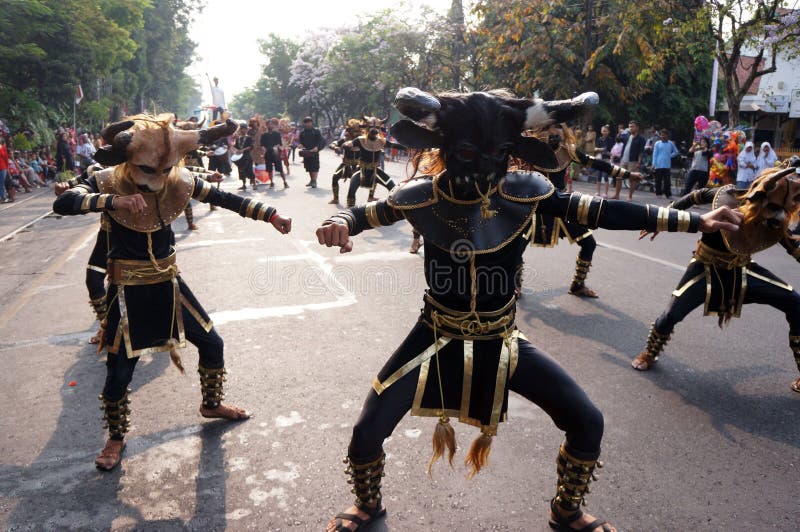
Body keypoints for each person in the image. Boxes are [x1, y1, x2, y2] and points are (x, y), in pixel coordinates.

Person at [316, 87, 741, 532]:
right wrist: (339, 222)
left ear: (512, 151)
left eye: (498, 153)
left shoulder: (527, 192)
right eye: (468, 152)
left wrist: (698, 220)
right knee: (366, 431)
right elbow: (364, 214)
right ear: (445, 148)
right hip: (435, 335)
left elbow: (602, 211)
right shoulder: (422, 196)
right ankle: (367, 507)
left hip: (502, 340)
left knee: (587, 421)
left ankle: (567, 511)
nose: (484, 166)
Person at [52, 115, 292, 471]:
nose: (158, 178)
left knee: (213, 343)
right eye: (150, 170)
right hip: (127, 291)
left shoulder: (179, 180)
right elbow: (63, 203)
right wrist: (112, 202)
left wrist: (270, 214)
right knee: (119, 373)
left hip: (169, 283)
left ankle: (211, 404)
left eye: (165, 169)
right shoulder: (107, 180)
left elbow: (225, 198)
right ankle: (115, 438)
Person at [632, 163, 800, 394]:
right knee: (670, 315)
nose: (779, 213)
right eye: (773, 207)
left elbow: (794, 247)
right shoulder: (728, 196)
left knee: (795, 302)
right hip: (705, 267)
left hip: (742, 269)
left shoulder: (776, 219)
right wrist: (664, 218)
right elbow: (697, 195)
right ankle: (650, 353)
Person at [518, 123, 643, 298]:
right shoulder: (528, 150)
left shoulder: (568, 152)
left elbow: (598, 164)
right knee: (515, 248)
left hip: (560, 207)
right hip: (533, 208)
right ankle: (515, 286)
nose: (554, 131)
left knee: (588, 243)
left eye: (558, 127)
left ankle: (577, 286)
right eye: (549, 127)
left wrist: (629, 175)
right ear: (540, 130)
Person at [344, 116, 400, 207]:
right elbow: (348, 144)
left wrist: (408, 147)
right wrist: (346, 144)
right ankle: (350, 210)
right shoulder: (360, 140)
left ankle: (392, 209)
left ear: (379, 128)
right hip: (362, 171)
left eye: (377, 127)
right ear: (367, 127)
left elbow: (393, 145)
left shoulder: (381, 141)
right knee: (351, 190)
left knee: (393, 188)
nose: (374, 129)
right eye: (371, 127)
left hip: (375, 171)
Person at [329, 119, 362, 204]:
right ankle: (336, 199)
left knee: (371, 178)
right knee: (335, 177)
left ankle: (369, 197)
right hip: (346, 164)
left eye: (357, 131)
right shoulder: (345, 139)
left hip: (358, 166)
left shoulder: (362, 140)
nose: (356, 133)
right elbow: (333, 144)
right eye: (354, 131)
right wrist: (335, 147)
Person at [612, 120, 645, 200]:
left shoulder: (641, 138)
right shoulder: (626, 136)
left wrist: (639, 162)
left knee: (632, 179)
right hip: (623, 160)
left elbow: (641, 151)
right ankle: (616, 195)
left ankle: (630, 196)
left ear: (637, 127)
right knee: (618, 178)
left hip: (633, 161)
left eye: (632, 126)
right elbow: (618, 140)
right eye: (629, 127)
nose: (630, 128)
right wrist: (620, 133)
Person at [260, 118, 289, 189]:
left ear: (273, 125)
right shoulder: (264, 135)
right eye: (268, 124)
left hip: (276, 153)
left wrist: (276, 148)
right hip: (268, 153)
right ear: (266, 125)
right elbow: (262, 145)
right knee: (269, 169)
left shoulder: (277, 134)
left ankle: (285, 182)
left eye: (271, 124)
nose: (269, 125)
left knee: (280, 169)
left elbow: (279, 144)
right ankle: (271, 182)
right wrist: (263, 151)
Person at [298, 117, 326, 188]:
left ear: (312, 122)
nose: (308, 124)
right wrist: (300, 144)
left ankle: (314, 181)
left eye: (309, 122)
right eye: (306, 122)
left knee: (314, 167)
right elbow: (300, 141)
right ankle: (312, 181)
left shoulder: (316, 131)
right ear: (304, 123)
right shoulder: (302, 132)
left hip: (314, 151)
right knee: (309, 167)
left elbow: (321, 141)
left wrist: (317, 147)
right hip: (306, 152)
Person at [651, 129, 679, 198]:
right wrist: (653, 164)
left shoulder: (670, 143)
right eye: (661, 135)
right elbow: (655, 154)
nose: (663, 136)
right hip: (658, 165)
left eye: (664, 135)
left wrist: (670, 156)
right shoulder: (657, 143)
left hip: (667, 165)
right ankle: (658, 193)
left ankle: (668, 194)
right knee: (658, 180)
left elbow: (676, 152)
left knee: (667, 181)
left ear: (667, 135)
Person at [233, 123, 256, 190]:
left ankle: (254, 184)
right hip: (240, 157)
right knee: (241, 171)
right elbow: (235, 147)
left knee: (249, 170)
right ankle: (244, 185)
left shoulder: (249, 138)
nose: (243, 130)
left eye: (244, 129)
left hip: (247, 156)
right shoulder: (238, 138)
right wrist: (236, 150)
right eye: (241, 129)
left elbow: (251, 146)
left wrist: (243, 150)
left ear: (246, 130)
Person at [594, 125, 614, 197]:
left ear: (608, 132)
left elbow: (610, 150)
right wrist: (602, 149)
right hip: (599, 159)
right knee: (598, 176)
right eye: (603, 131)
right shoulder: (599, 139)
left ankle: (605, 193)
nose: (604, 132)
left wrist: (601, 149)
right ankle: (598, 192)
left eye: (605, 131)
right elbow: (595, 149)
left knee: (605, 176)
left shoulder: (610, 140)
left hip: (607, 160)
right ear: (601, 131)